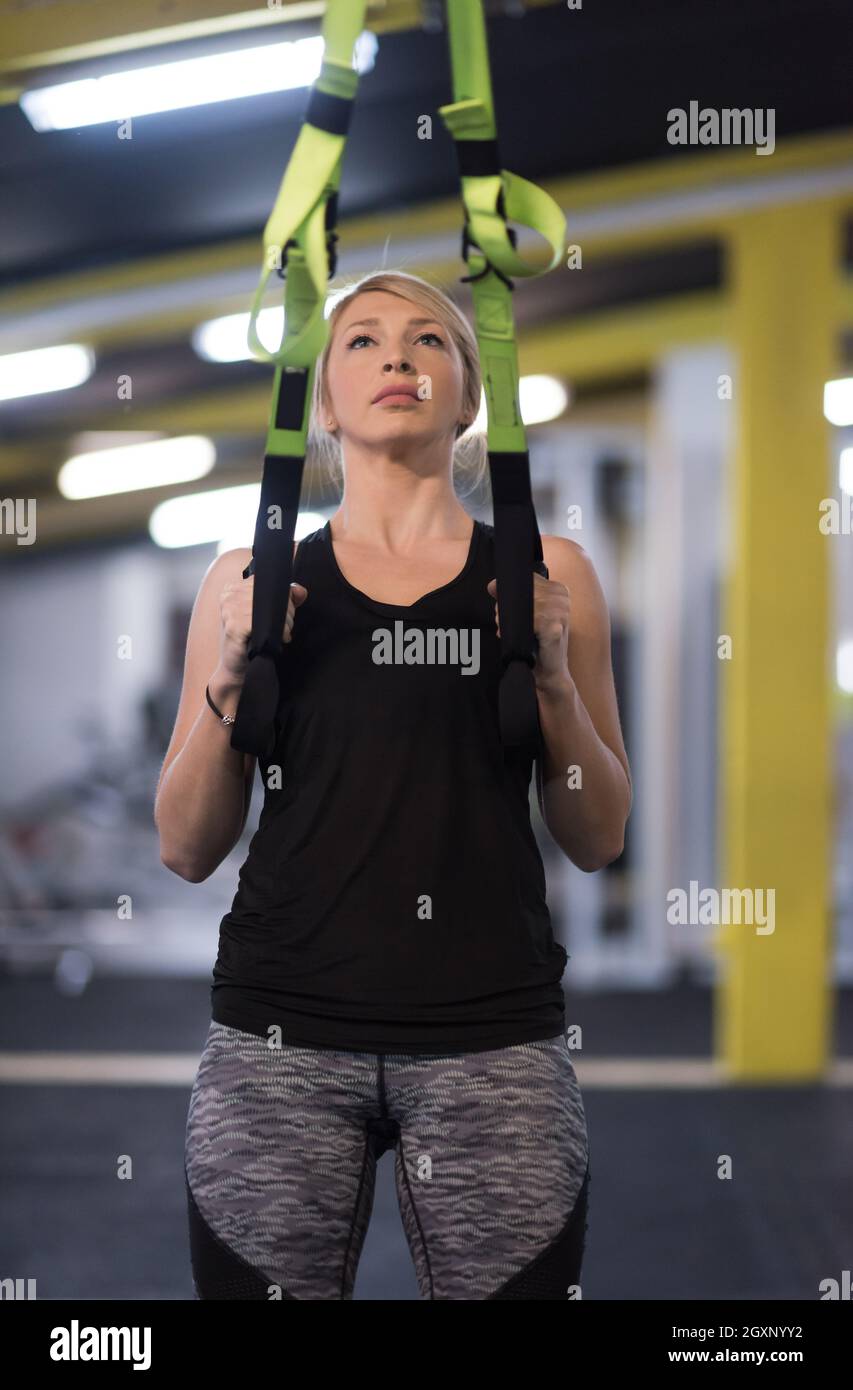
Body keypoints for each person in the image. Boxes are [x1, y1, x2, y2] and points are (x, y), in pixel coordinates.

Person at [155, 270, 632, 1300]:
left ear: (469, 391)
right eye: (362, 341)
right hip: (278, 1034)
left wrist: (549, 675)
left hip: (490, 1036)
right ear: (323, 399)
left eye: (429, 341)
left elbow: (596, 832)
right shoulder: (245, 581)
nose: (398, 359)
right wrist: (230, 676)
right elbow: (186, 848)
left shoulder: (553, 573)